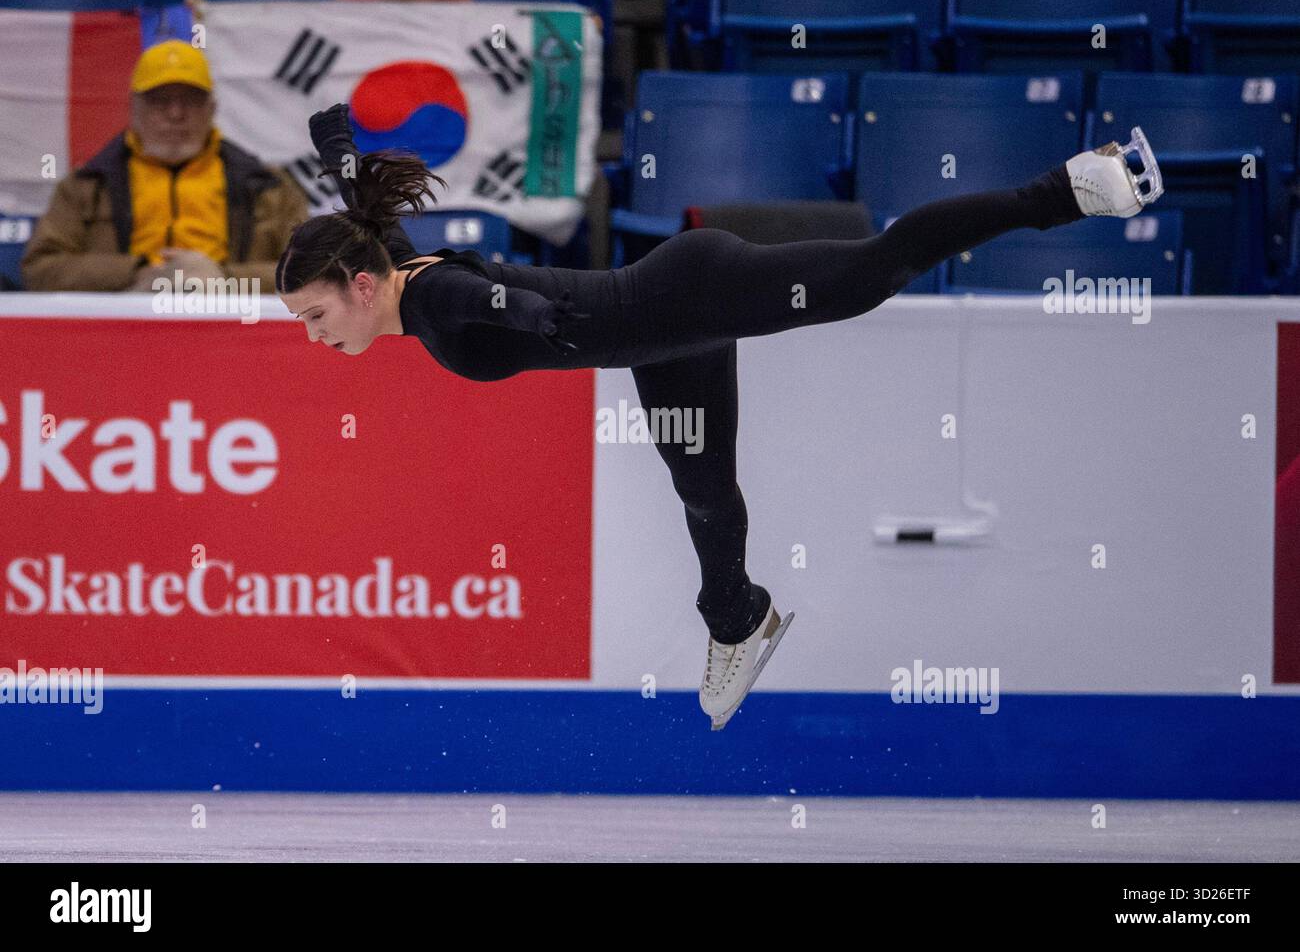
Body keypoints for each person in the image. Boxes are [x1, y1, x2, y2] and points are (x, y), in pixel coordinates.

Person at [276, 104, 1163, 728]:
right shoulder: (389, 268)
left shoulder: (434, 304)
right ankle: (737, 617)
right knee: (702, 489)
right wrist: (337, 143)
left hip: (691, 291)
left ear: (358, 290)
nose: (317, 340)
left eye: (316, 318)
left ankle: (1073, 188)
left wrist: (538, 317)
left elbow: (488, 302)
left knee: (877, 267)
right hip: (668, 343)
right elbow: (367, 214)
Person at [21, 40, 307, 292]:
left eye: (191, 101)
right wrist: (136, 273)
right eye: (160, 101)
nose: (175, 114)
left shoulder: (270, 187)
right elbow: (40, 270)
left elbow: (311, 272)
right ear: (133, 108)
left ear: (212, 108)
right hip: (119, 334)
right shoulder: (85, 186)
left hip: (233, 333)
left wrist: (225, 279)